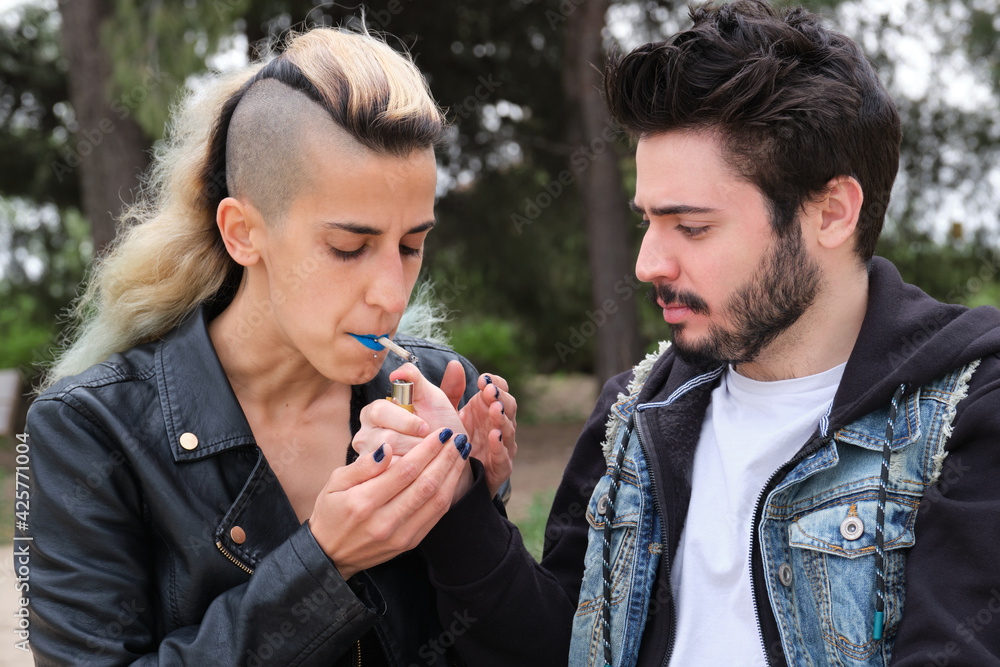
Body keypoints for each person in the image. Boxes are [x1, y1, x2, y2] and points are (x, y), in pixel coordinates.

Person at [364, 2, 1000, 665]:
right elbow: (552, 646)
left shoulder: (968, 417)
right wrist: (456, 495)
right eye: (648, 221)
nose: (648, 264)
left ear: (832, 212)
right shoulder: (634, 415)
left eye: (691, 227)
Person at [21, 27, 517, 666]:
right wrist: (323, 563)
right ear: (242, 233)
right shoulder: (86, 431)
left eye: (411, 244)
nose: (390, 294)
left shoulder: (436, 391)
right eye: (348, 247)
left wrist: (476, 512)